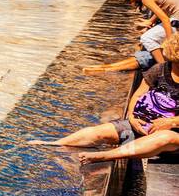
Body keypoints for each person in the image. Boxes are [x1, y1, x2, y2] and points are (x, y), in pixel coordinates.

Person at [35, 33, 179, 165]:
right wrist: (132, 117)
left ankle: (106, 155)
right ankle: (55, 143)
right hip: (147, 123)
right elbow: (138, 95)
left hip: (173, 134)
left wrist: (170, 122)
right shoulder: (160, 69)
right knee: (97, 133)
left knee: (165, 138)